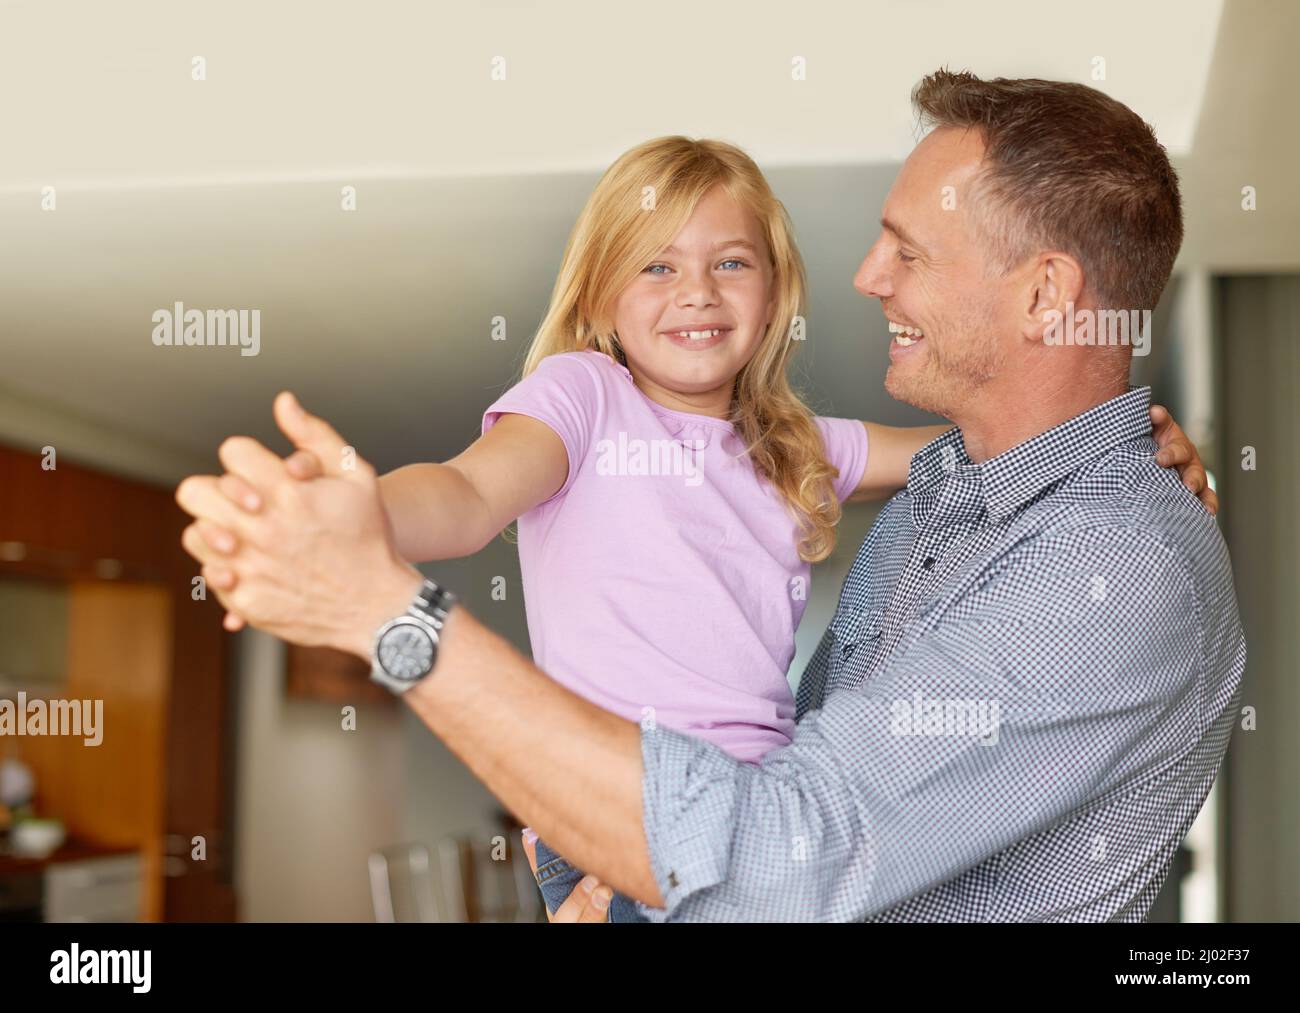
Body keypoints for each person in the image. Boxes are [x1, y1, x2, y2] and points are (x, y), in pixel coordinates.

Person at [177, 70, 1241, 922]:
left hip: (705, 855)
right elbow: (463, 491)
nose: (869, 275)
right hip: (639, 844)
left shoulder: (1112, 565)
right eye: (654, 268)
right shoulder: (932, 491)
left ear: (1045, 294)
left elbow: (779, 862)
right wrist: (368, 516)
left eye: (907, 250)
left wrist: (381, 608)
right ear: (598, 292)